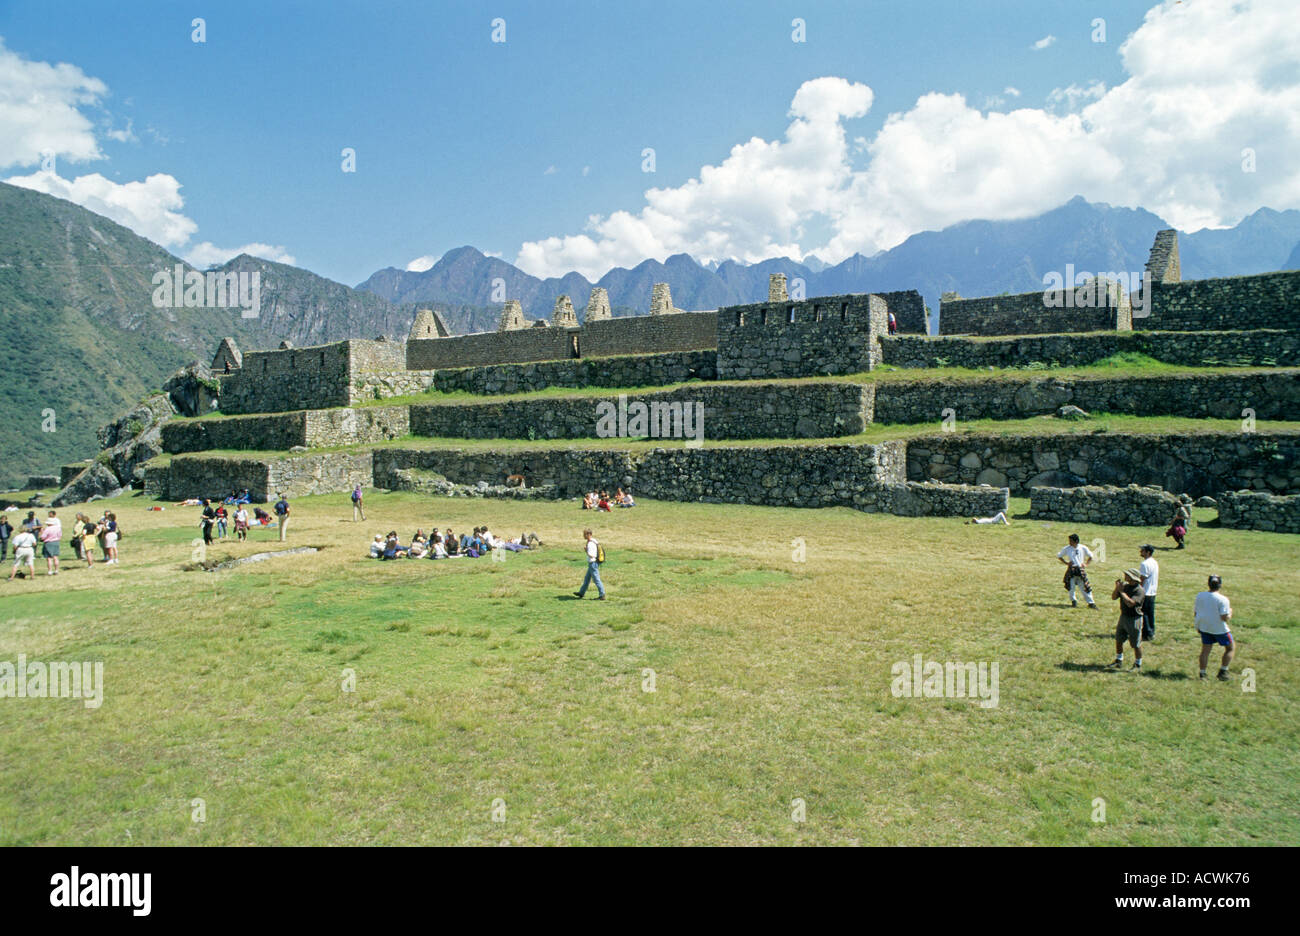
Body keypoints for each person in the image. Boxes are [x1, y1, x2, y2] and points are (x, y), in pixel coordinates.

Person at [1194, 575, 1235, 681]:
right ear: (1220, 585)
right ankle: (1223, 671)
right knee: (1230, 648)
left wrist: (1198, 625)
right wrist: (1230, 613)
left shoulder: (1200, 595)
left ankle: (1202, 673)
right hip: (1219, 629)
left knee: (1205, 650)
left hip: (1205, 626)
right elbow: (1224, 618)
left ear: (1208, 584)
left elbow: (1196, 611)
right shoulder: (1223, 599)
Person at [1106, 568, 1146, 671]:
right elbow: (1114, 597)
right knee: (1119, 639)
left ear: (1133, 578)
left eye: (1127, 575)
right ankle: (1119, 660)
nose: (1125, 576)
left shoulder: (1139, 591)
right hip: (1123, 617)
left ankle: (1138, 664)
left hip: (1134, 619)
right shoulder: (1125, 587)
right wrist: (1117, 589)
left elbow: (1130, 603)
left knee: (1135, 643)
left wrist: (1121, 591)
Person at [1057, 534, 1097, 609]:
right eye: (1069, 541)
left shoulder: (1083, 547)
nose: (1069, 542)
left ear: (1076, 541)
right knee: (1071, 587)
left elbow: (1091, 556)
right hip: (1071, 569)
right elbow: (1059, 556)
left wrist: (1086, 564)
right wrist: (1066, 563)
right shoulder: (1067, 548)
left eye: (1071, 541)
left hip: (1080, 569)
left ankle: (1091, 603)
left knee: (1084, 586)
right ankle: (1073, 601)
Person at [573, 528, 606, 600]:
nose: (583, 536)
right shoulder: (594, 541)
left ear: (589, 534)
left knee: (596, 579)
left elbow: (592, 555)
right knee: (587, 579)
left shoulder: (590, 543)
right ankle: (581, 593)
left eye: (585, 534)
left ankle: (602, 595)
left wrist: (586, 550)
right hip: (594, 563)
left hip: (593, 563)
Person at [1138, 544, 1159, 642]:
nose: (1140, 552)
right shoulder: (1154, 562)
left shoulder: (1144, 564)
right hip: (1152, 592)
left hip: (1145, 592)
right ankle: (1151, 632)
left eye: (1142, 550)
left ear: (1148, 552)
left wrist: (1138, 590)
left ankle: (1146, 634)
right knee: (1150, 614)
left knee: (1144, 613)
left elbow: (1142, 579)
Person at [39, 510, 62, 576]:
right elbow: (60, 535)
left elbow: (43, 537)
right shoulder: (58, 528)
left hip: (49, 543)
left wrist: (41, 533)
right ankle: (56, 570)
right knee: (55, 557)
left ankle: (50, 571)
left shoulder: (48, 529)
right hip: (56, 542)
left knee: (49, 558)